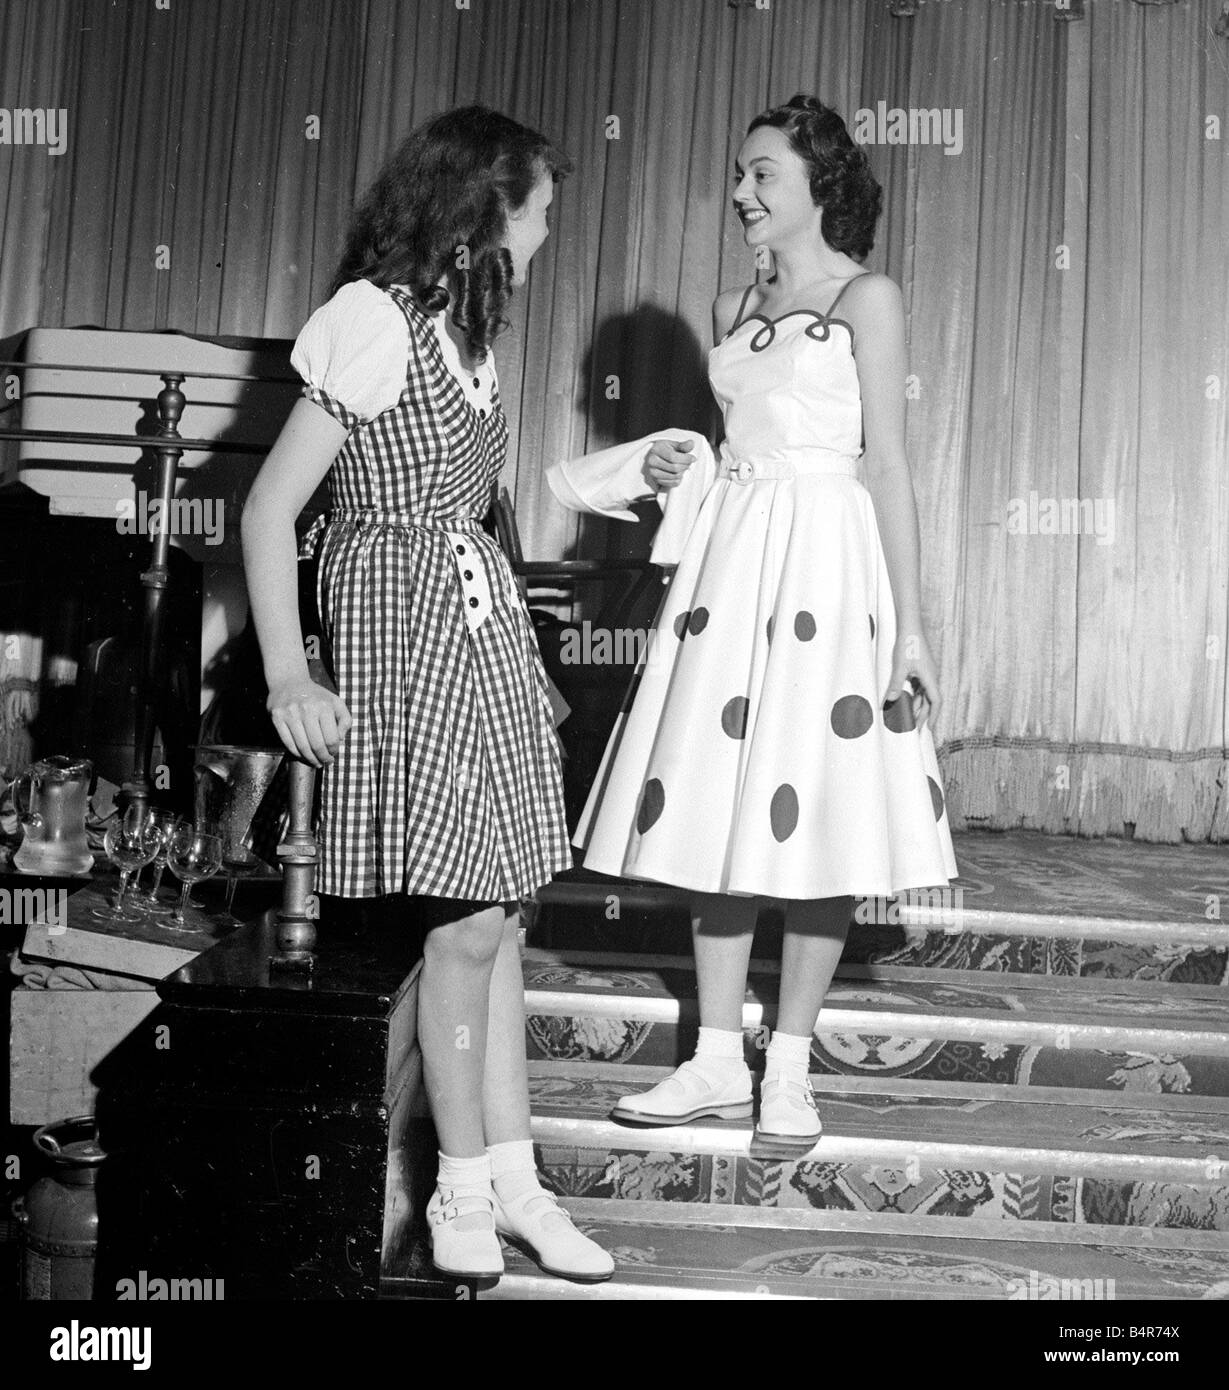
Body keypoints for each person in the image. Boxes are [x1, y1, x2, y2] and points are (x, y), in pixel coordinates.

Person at [241, 106, 613, 1282]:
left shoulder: (470, 341)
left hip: (475, 623)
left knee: (497, 920)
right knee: (457, 925)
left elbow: (472, 504)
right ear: (482, 214)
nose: (549, 231)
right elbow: (264, 511)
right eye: (540, 210)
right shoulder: (371, 321)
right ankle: (458, 1193)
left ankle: (512, 1181)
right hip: (399, 628)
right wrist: (289, 670)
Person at [573, 95, 959, 1148]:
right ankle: (709, 1058)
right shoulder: (724, 303)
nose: (740, 193)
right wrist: (676, 461)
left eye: (761, 175)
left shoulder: (866, 298)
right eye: (739, 176)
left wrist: (909, 628)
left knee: (817, 813)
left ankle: (784, 1067)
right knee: (720, 805)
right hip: (733, 566)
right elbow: (739, 440)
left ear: (817, 184)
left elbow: (884, 462)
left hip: (829, 566)